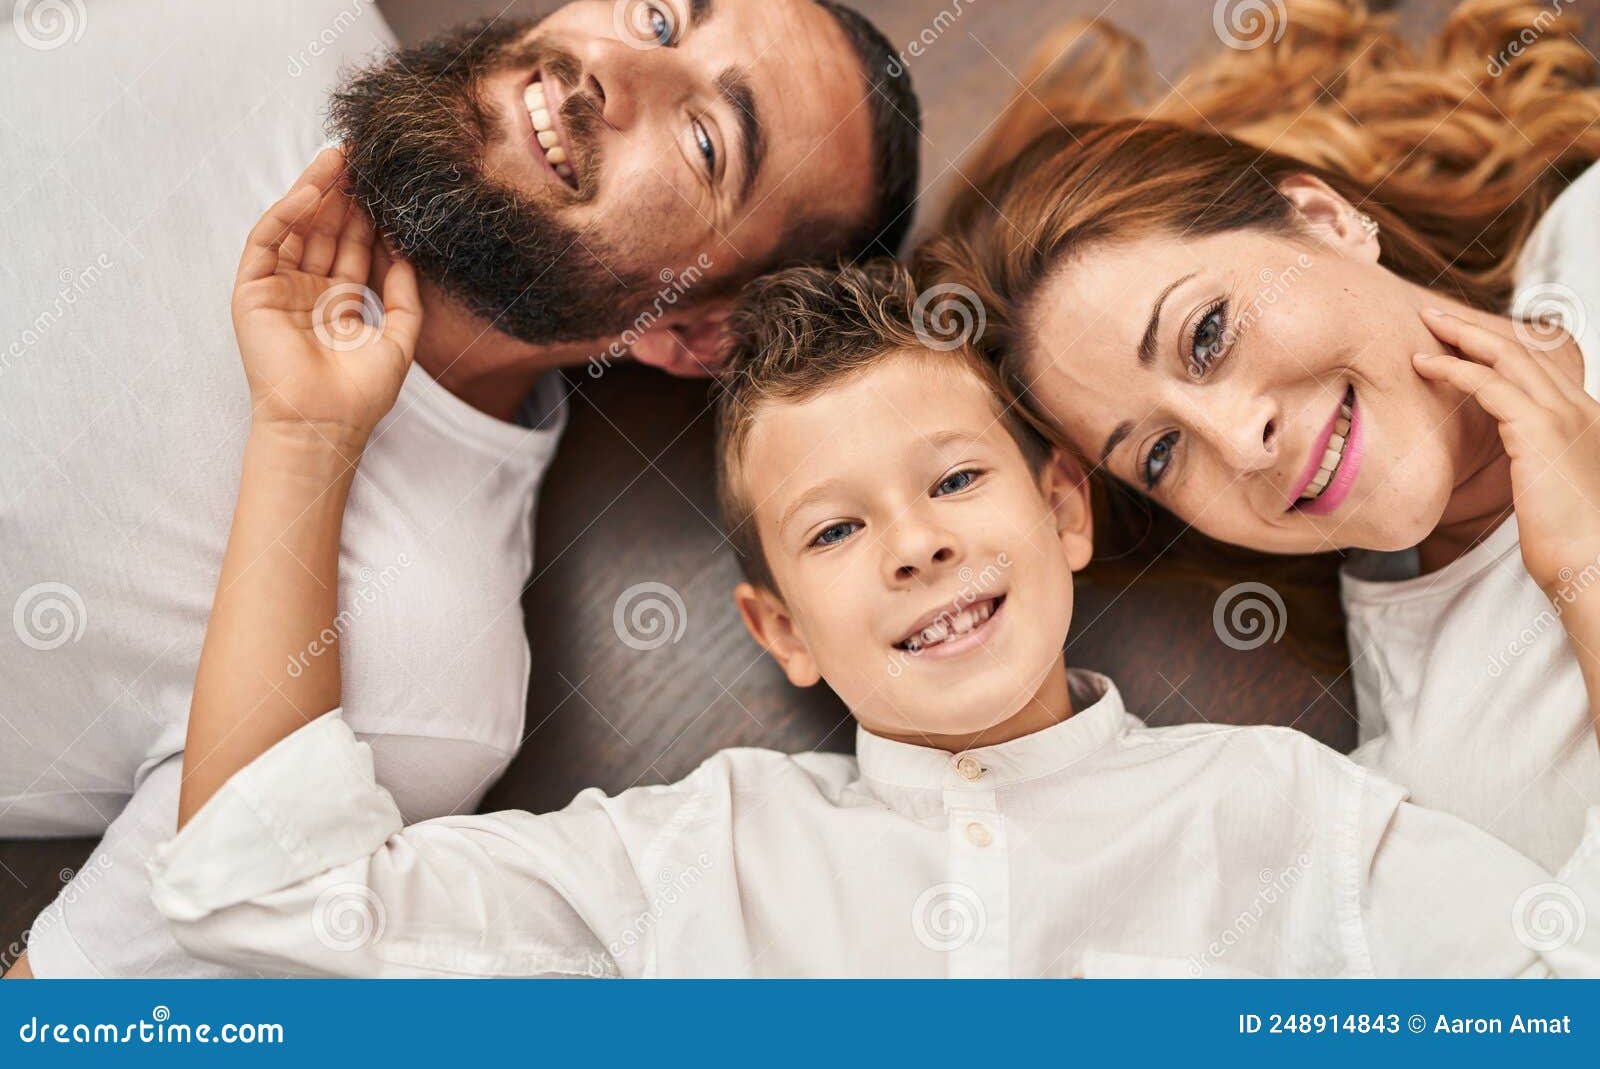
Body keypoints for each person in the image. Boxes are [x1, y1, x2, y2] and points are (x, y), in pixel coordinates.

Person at [144, 185, 1599, 977]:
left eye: (956, 482)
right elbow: (258, 893)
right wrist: (307, 435)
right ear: (778, 628)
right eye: (835, 533)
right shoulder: (690, 862)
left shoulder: (1290, 818)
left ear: (1065, 509)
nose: (914, 546)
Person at [0, 0, 920, 977]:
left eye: (707, 139)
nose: (611, 64)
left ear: (695, 331)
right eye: (660, 16)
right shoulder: (278, 5)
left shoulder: (419, 679)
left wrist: (306, 441)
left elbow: (61, 1027)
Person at [915, 0, 1600, 874]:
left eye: (1206, 335)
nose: (1240, 443)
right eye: (1160, 455)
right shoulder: (1443, 799)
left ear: (1323, 218)